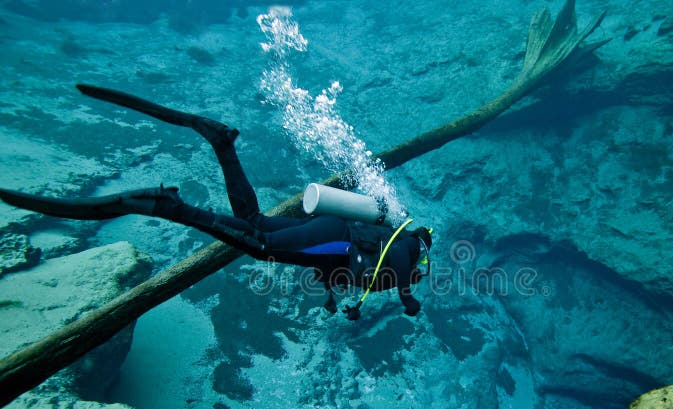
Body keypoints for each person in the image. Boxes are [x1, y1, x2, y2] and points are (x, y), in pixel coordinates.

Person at [0, 85, 433, 320]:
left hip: (332, 236)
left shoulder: (398, 249)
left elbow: (344, 269)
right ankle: (169, 206)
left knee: (253, 219)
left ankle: (221, 141)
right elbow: (390, 270)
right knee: (260, 244)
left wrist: (336, 299)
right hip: (335, 239)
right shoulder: (404, 260)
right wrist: (408, 300)